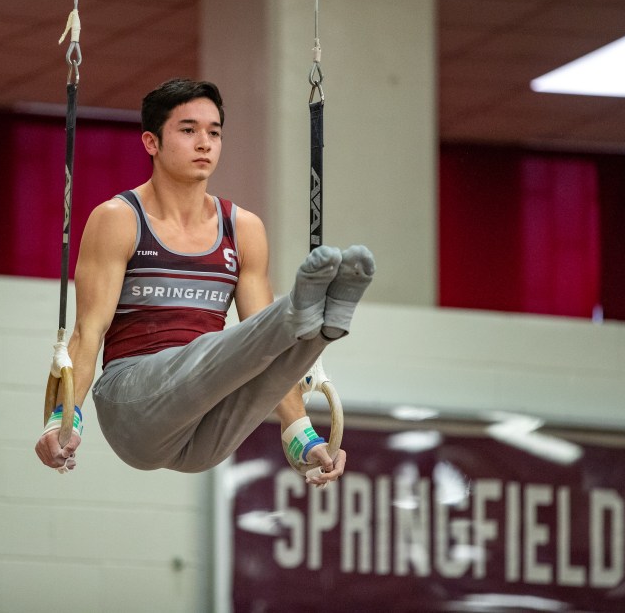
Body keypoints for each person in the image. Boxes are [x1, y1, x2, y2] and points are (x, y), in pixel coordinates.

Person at [35, 78, 374, 486]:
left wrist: (305, 439)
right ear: (151, 142)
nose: (204, 143)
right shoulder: (119, 219)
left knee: (263, 349)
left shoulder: (243, 228)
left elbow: (258, 346)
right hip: (133, 407)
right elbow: (88, 334)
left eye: (214, 132)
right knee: (227, 345)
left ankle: (320, 328)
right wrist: (61, 419)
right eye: (188, 130)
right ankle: (300, 313)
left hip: (205, 433)